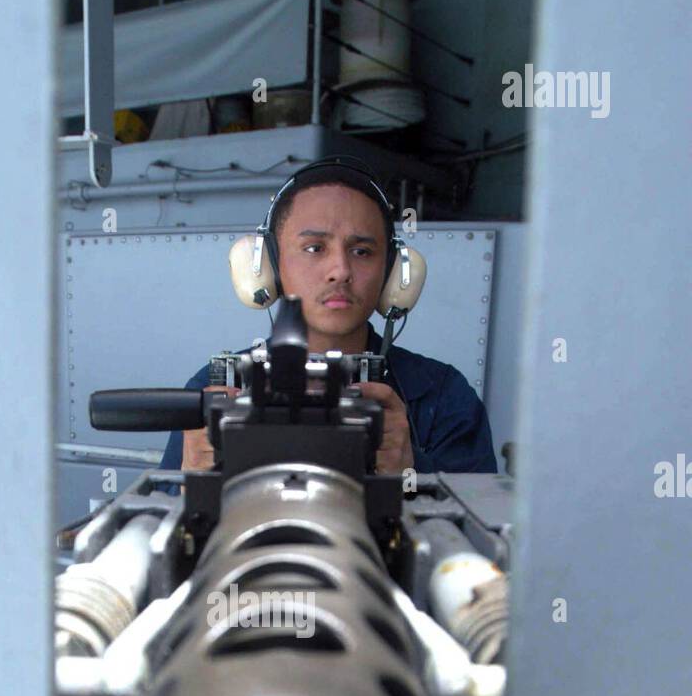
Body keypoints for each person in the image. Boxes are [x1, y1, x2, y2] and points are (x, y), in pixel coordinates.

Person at [154, 161, 497, 494]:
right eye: (314, 248)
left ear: (393, 274)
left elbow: (480, 536)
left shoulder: (442, 397)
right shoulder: (215, 389)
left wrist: (411, 475)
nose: (340, 270)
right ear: (266, 266)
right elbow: (162, 530)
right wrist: (191, 486)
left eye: (362, 251)